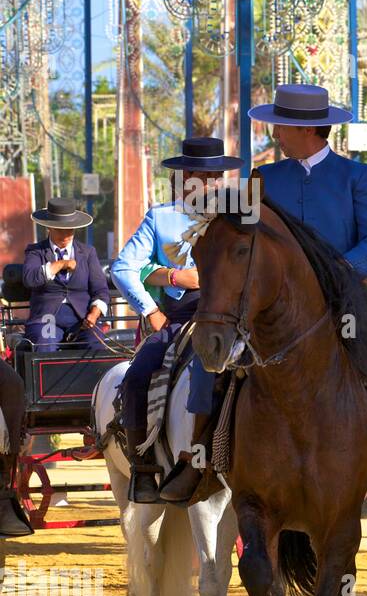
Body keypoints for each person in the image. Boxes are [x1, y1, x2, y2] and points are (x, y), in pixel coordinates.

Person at [161, 84, 367, 510]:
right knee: (211, 361)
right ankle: (201, 456)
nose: (274, 133)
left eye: (280, 126)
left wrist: (336, 273)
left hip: (346, 301)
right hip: (273, 309)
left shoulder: (358, 176)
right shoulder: (263, 180)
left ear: (309, 130)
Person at [112, 137, 235, 503]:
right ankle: (144, 467)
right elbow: (122, 267)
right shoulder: (160, 217)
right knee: (135, 378)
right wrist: (154, 305)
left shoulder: (239, 217)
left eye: (218, 175)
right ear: (186, 177)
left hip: (233, 318)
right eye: (205, 175)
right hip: (180, 319)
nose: (213, 182)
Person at [22, 199, 110, 351]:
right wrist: (60, 264)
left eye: (70, 229)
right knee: (45, 345)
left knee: (97, 345)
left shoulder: (88, 253)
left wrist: (94, 314)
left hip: (81, 319)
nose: (66, 234)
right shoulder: (35, 251)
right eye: (60, 229)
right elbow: (30, 279)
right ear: (49, 227)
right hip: (46, 318)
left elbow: (101, 291)